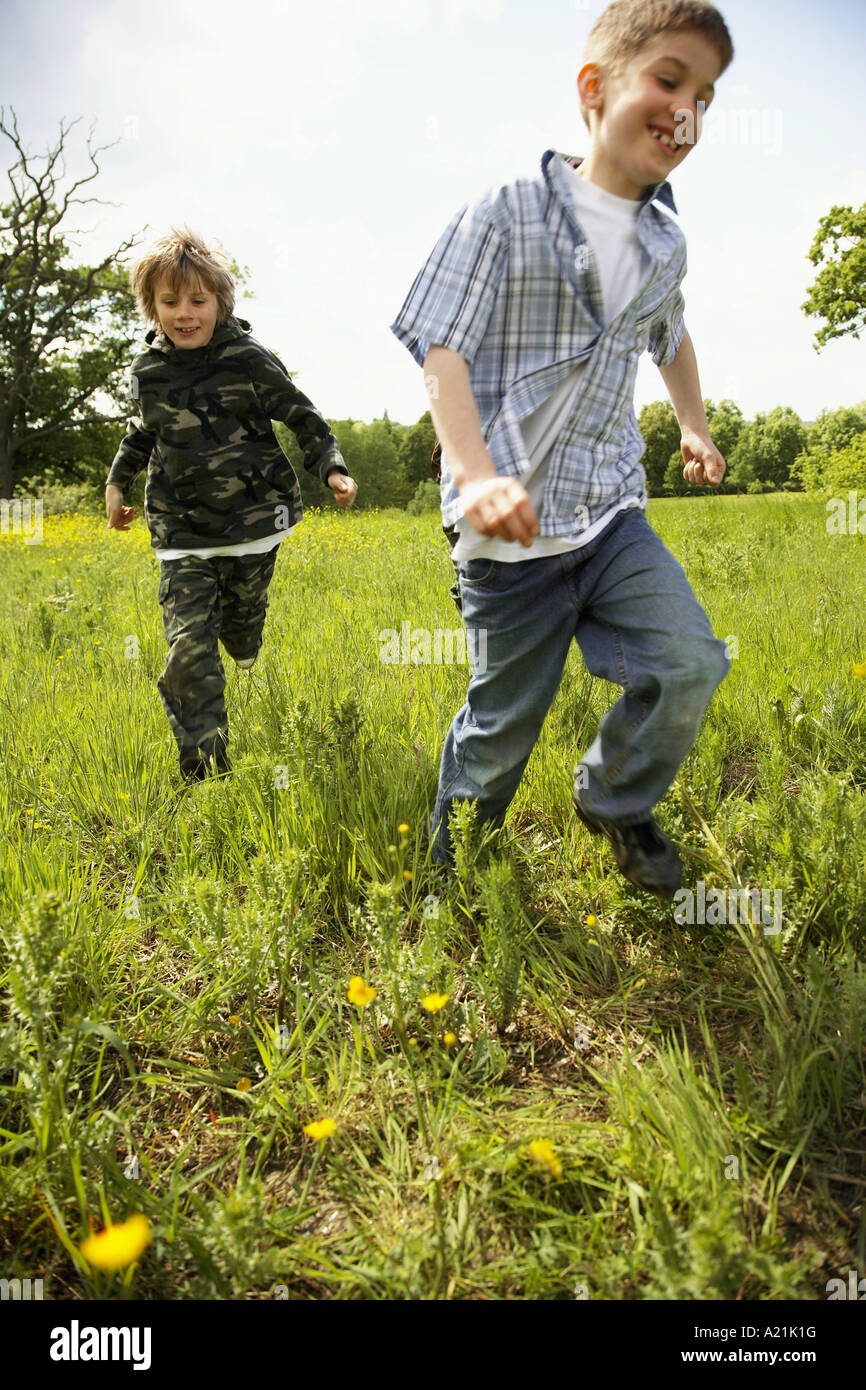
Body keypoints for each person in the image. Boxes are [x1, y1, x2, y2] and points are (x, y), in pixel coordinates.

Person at [390, 0, 734, 896]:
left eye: (706, 93)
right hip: (508, 542)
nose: (687, 108)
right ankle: (449, 878)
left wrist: (692, 422)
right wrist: (473, 475)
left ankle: (615, 798)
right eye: (668, 79)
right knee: (502, 728)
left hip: (610, 514)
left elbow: (673, 336)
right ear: (595, 87)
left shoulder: (666, 242)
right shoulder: (506, 213)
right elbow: (441, 349)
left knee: (692, 661)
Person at [106, 227, 357, 781]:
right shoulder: (148, 372)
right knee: (191, 651)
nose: (185, 313)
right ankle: (207, 775)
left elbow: (302, 415)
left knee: (241, 632)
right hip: (181, 533)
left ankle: (245, 632)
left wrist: (332, 468)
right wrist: (117, 484)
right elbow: (139, 435)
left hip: (254, 523)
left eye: (198, 300)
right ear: (151, 307)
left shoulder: (248, 360)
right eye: (170, 302)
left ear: (221, 302)